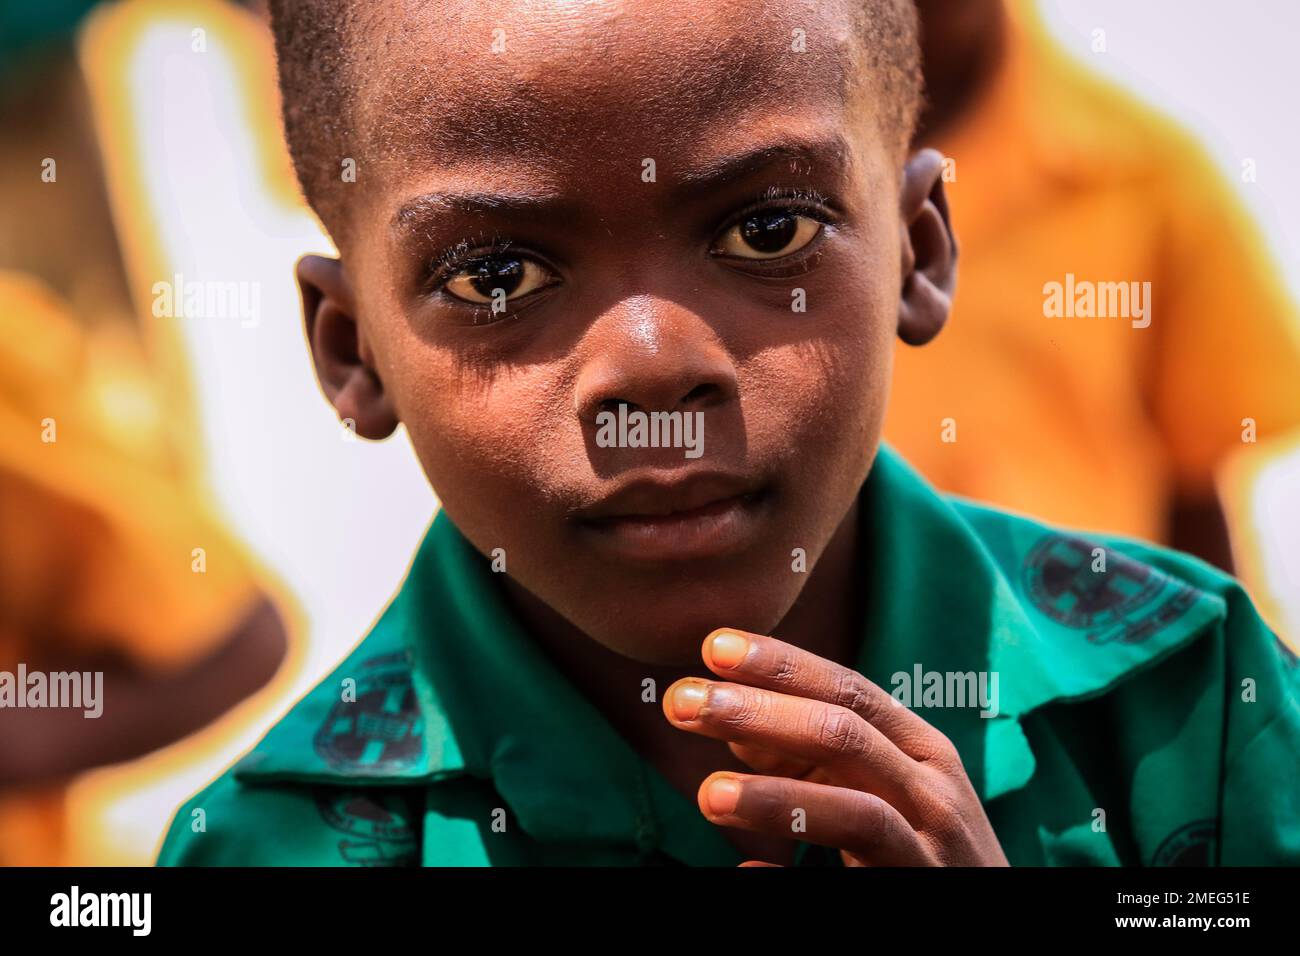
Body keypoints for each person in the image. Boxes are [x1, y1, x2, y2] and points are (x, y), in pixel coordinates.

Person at [158, 0, 1298, 866]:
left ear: (919, 250)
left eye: (766, 228)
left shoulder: (1194, 707)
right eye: (498, 273)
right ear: (353, 351)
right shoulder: (266, 844)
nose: (653, 365)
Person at [885, 0, 1300, 579]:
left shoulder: (1147, 176)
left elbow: (1197, 505)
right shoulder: (746, 159)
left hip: (1084, 646)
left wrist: (1225, 665)